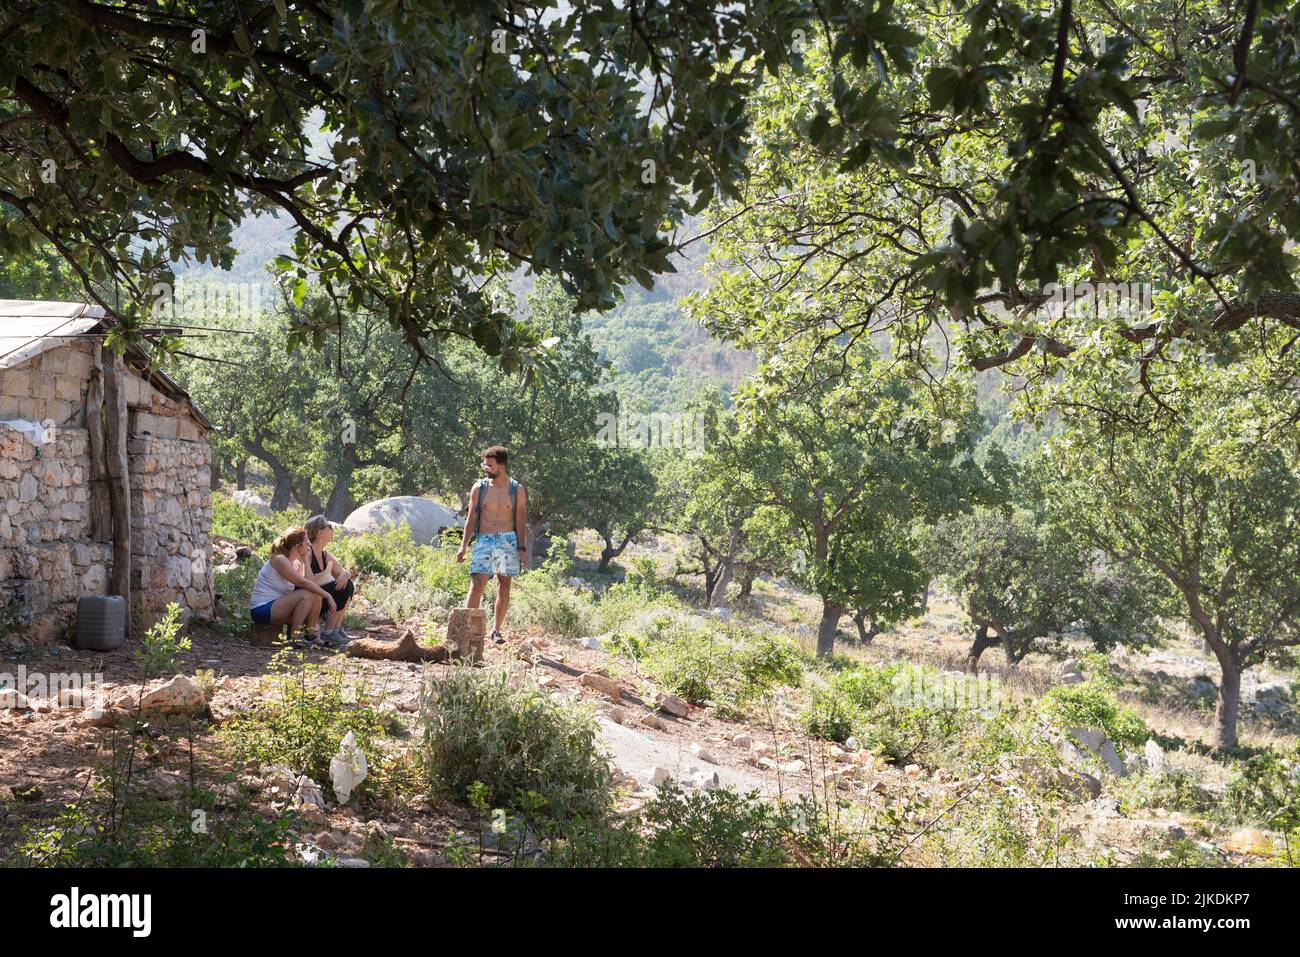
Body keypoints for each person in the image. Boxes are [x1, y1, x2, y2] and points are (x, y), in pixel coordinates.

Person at [456, 445, 528, 644]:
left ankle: (496, 630)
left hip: (507, 540)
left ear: (502, 467)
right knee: (478, 582)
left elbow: (520, 520)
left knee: (503, 585)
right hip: (484, 539)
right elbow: (471, 518)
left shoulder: (516, 490)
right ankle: (465, 630)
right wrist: (463, 546)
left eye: (489, 465)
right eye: (484, 464)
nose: (485, 468)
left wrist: (522, 548)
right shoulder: (479, 488)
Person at [248, 526, 336, 645]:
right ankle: (294, 637)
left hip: (279, 607)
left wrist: (305, 559)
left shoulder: (296, 562)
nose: (309, 545)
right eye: (306, 542)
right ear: (297, 546)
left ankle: (311, 635)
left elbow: (311, 583)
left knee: (314, 593)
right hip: (262, 609)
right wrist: (328, 596)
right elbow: (303, 583)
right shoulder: (279, 559)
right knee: (306, 595)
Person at [304, 514, 356, 649]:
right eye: (330, 526)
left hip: (320, 598)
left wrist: (345, 574)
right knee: (342, 587)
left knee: (348, 584)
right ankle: (328, 632)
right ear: (320, 532)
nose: (333, 530)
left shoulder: (324, 553)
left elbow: (344, 572)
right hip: (309, 600)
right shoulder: (308, 552)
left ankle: (335, 629)